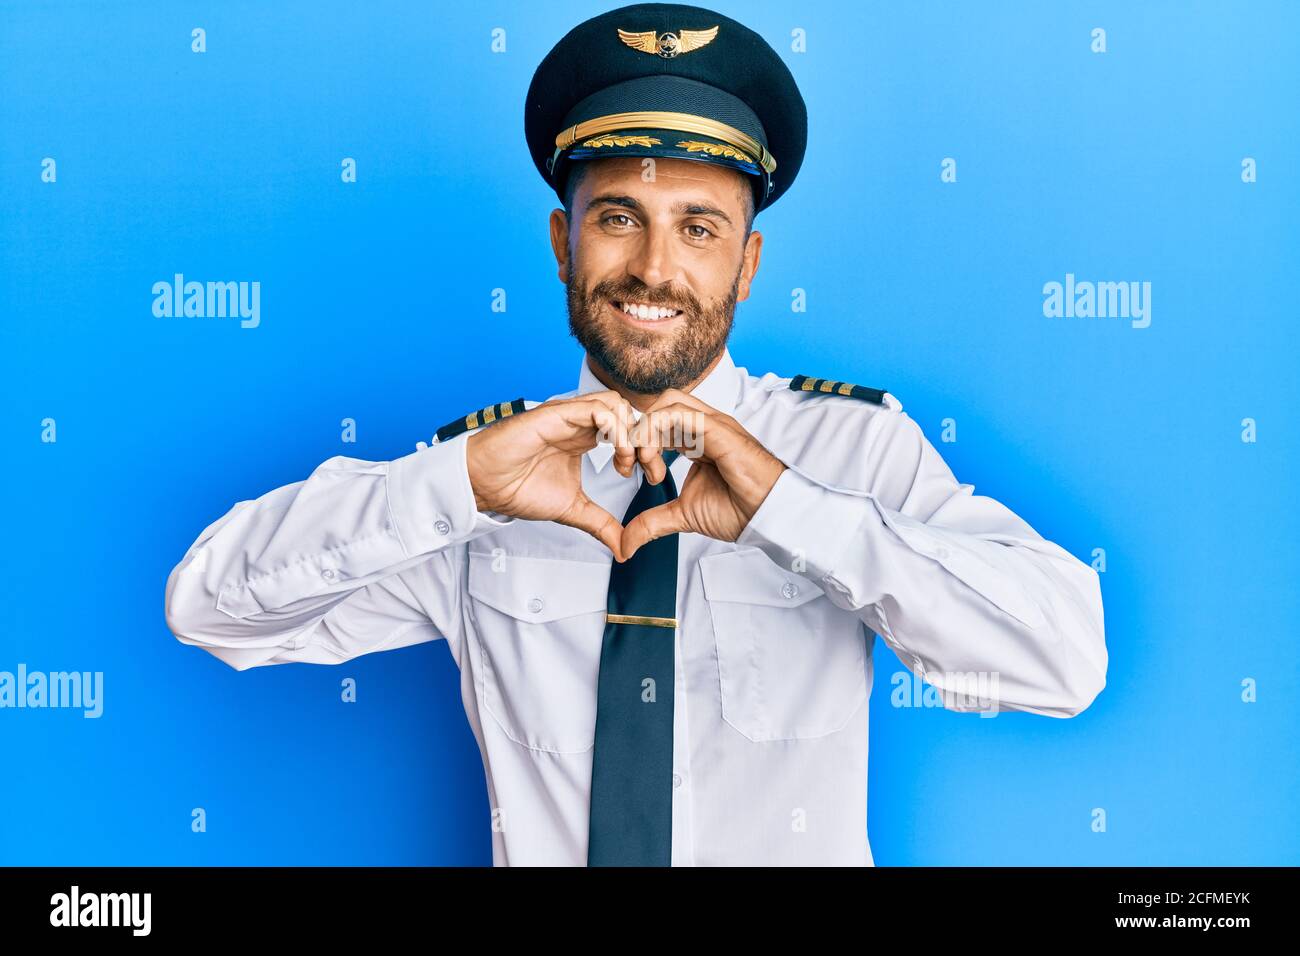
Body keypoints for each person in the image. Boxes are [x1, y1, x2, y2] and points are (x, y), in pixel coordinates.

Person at [164, 2, 1107, 866]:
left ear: (748, 264)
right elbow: (208, 608)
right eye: (618, 218)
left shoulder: (854, 452)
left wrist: (796, 511)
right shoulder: (489, 473)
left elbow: (1064, 662)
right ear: (561, 244)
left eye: (700, 228)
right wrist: (452, 487)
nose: (654, 270)